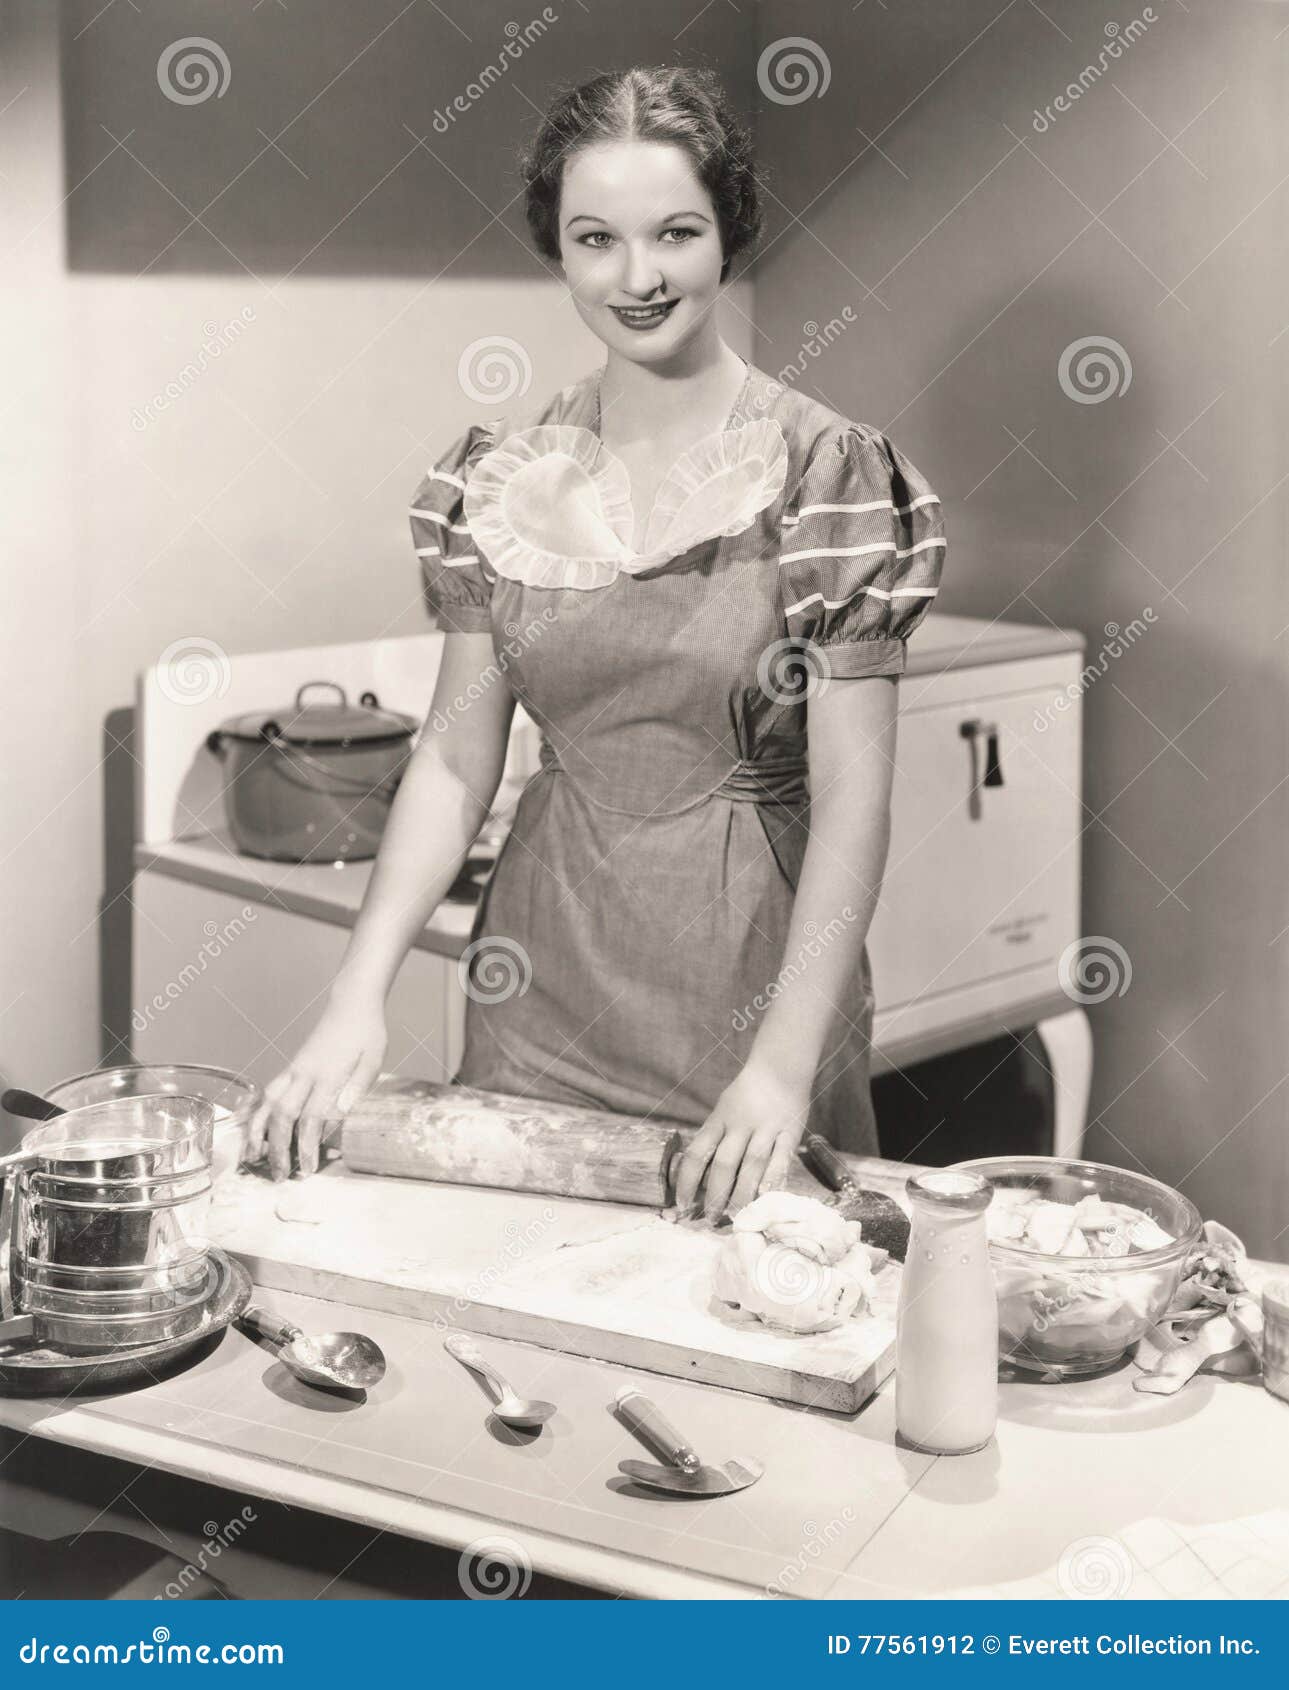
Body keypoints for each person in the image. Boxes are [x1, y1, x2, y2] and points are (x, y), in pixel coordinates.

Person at [246, 64, 946, 1223]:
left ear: (727, 233)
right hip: (539, 971)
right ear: (556, 250)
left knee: (756, 1296)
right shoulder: (498, 478)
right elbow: (455, 758)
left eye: (673, 232)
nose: (636, 277)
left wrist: (778, 1062)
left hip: (749, 988)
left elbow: (855, 802)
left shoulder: (829, 477)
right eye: (594, 239)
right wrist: (356, 992)